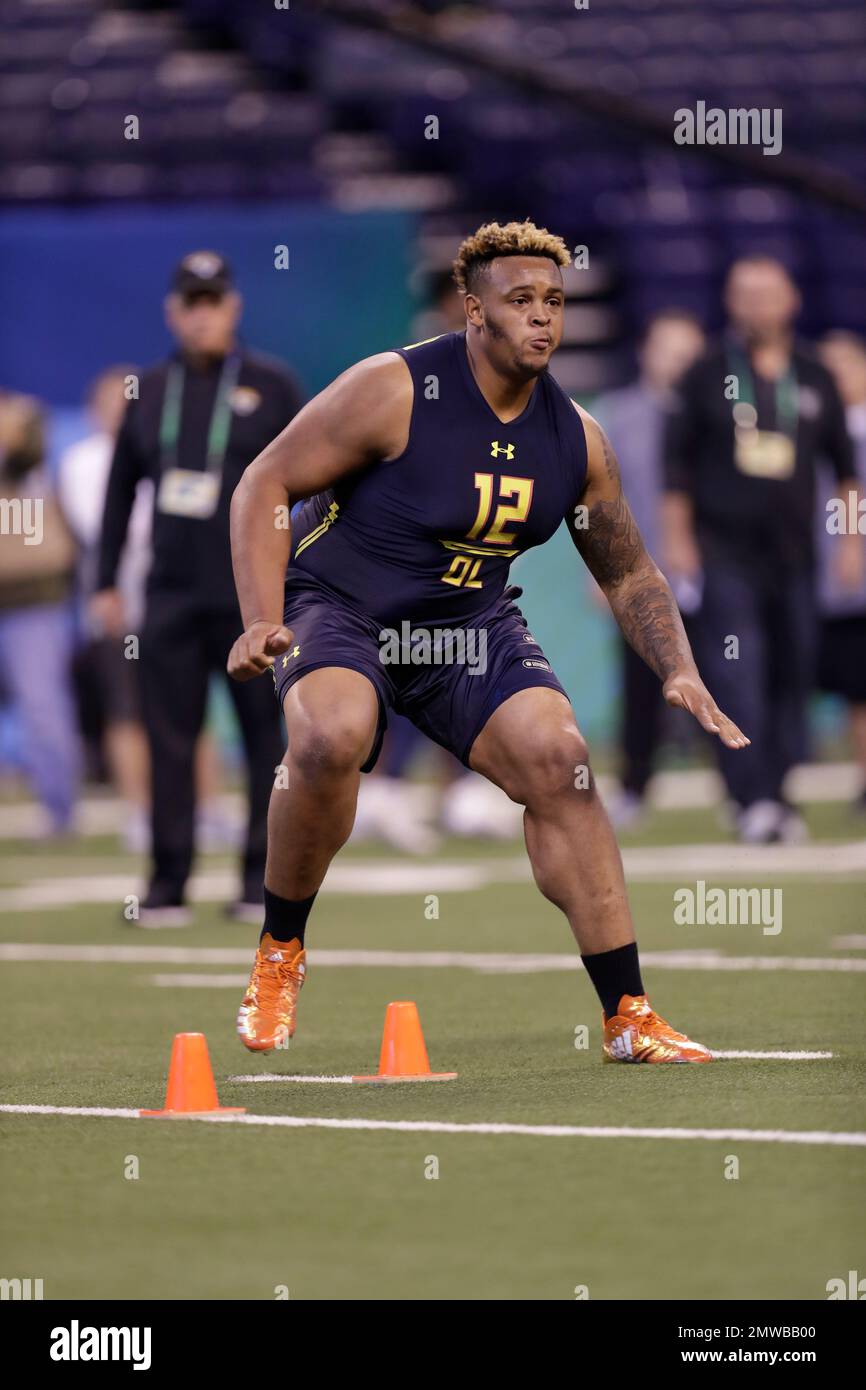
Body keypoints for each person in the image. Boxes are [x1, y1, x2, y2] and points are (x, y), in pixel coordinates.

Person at [227, 219, 748, 1065]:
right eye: (520, 301)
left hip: (466, 626)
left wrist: (679, 669)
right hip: (343, 607)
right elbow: (264, 482)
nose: (542, 318)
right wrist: (258, 615)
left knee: (562, 759)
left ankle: (627, 1011)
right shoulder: (391, 388)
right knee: (328, 737)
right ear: (473, 309)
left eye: (554, 301)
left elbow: (629, 572)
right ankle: (281, 948)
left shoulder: (576, 437)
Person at [93, 251, 304, 924]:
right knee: (170, 737)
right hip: (171, 594)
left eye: (215, 301)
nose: (204, 314)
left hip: (255, 597)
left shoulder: (273, 385)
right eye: (192, 301)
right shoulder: (148, 390)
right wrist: (104, 581)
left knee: (266, 740)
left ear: (234, 308)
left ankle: (258, 881)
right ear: (173, 312)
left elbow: (314, 479)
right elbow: (121, 490)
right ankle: (167, 882)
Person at [663, 256, 860, 844]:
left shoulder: (815, 374)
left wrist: (852, 541)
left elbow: (847, 472)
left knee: (792, 672)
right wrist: (678, 540)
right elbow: (677, 471)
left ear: (791, 300)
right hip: (724, 553)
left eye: (767, 293)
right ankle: (749, 798)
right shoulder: (704, 373)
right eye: (745, 293)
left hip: (797, 557)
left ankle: (778, 792)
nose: (757, 305)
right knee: (736, 671)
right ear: (730, 302)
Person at [594, 310, 705, 828]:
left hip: (710, 570)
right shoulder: (615, 416)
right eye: (669, 350)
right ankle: (635, 786)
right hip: (638, 573)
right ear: (646, 353)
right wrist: (600, 572)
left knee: (732, 672)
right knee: (641, 684)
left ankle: (749, 790)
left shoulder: (719, 413)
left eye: (689, 353)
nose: (679, 364)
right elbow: (596, 504)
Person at [58, 366, 152, 851]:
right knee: (125, 711)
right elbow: (101, 526)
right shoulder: (83, 461)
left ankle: (205, 807)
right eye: (113, 402)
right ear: (96, 411)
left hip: (171, 602)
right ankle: (139, 811)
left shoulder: (163, 451)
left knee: (184, 711)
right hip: (117, 604)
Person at [0, 391, 80, 836]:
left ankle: (58, 809)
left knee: (41, 705)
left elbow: (27, 444)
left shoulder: (27, 445)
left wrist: (13, 422)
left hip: (30, 600)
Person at [816, 331, 866, 811]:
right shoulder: (808, 430)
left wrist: (851, 546)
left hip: (853, 581)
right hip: (825, 584)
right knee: (854, 688)